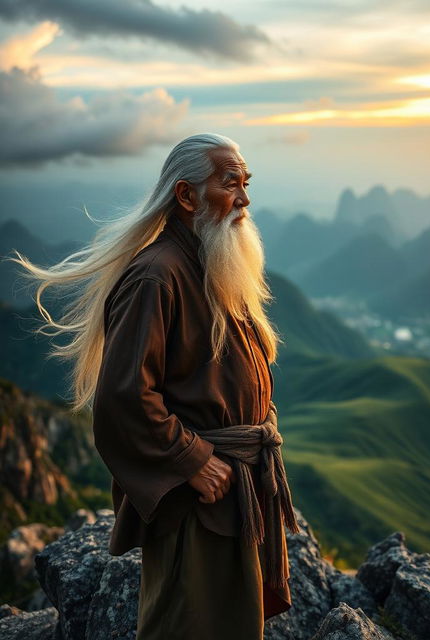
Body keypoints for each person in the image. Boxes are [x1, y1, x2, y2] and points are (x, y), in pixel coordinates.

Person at [9, 133, 300, 639]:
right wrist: (192, 459)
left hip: (237, 491)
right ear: (187, 196)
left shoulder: (211, 264)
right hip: (201, 501)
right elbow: (123, 397)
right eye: (231, 184)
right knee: (186, 625)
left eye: (246, 183)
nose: (245, 199)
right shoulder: (156, 277)